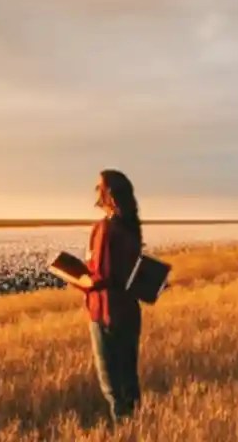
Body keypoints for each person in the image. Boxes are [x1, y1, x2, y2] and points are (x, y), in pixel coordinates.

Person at [74, 168, 144, 425]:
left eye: (98, 187)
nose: (95, 191)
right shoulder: (132, 228)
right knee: (129, 382)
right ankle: (138, 430)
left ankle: (125, 433)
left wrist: (75, 278)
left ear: (108, 194)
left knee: (113, 389)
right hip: (129, 312)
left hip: (105, 313)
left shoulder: (105, 228)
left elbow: (100, 276)